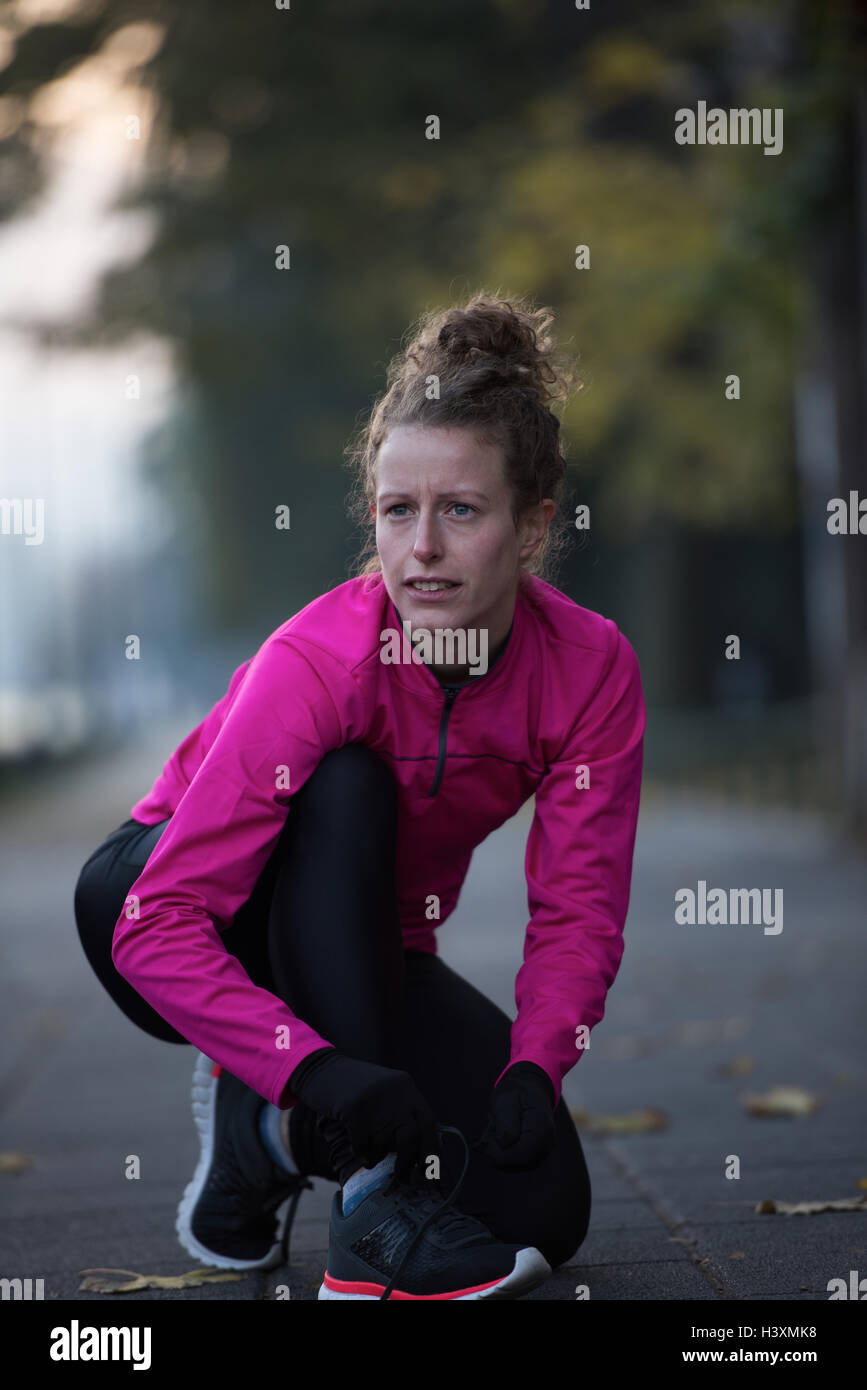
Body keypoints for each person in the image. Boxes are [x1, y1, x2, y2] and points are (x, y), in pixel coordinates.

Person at [73, 290, 646, 1301]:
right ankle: (367, 1204)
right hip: (160, 896)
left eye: (460, 511)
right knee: (346, 785)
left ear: (531, 526)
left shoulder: (590, 669)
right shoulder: (320, 660)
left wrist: (536, 1063)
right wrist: (313, 1067)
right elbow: (157, 924)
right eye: (397, 510)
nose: (420, 548)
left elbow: (579, 909)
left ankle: (265, 1141)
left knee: (546, 1208)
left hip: (361, 943)